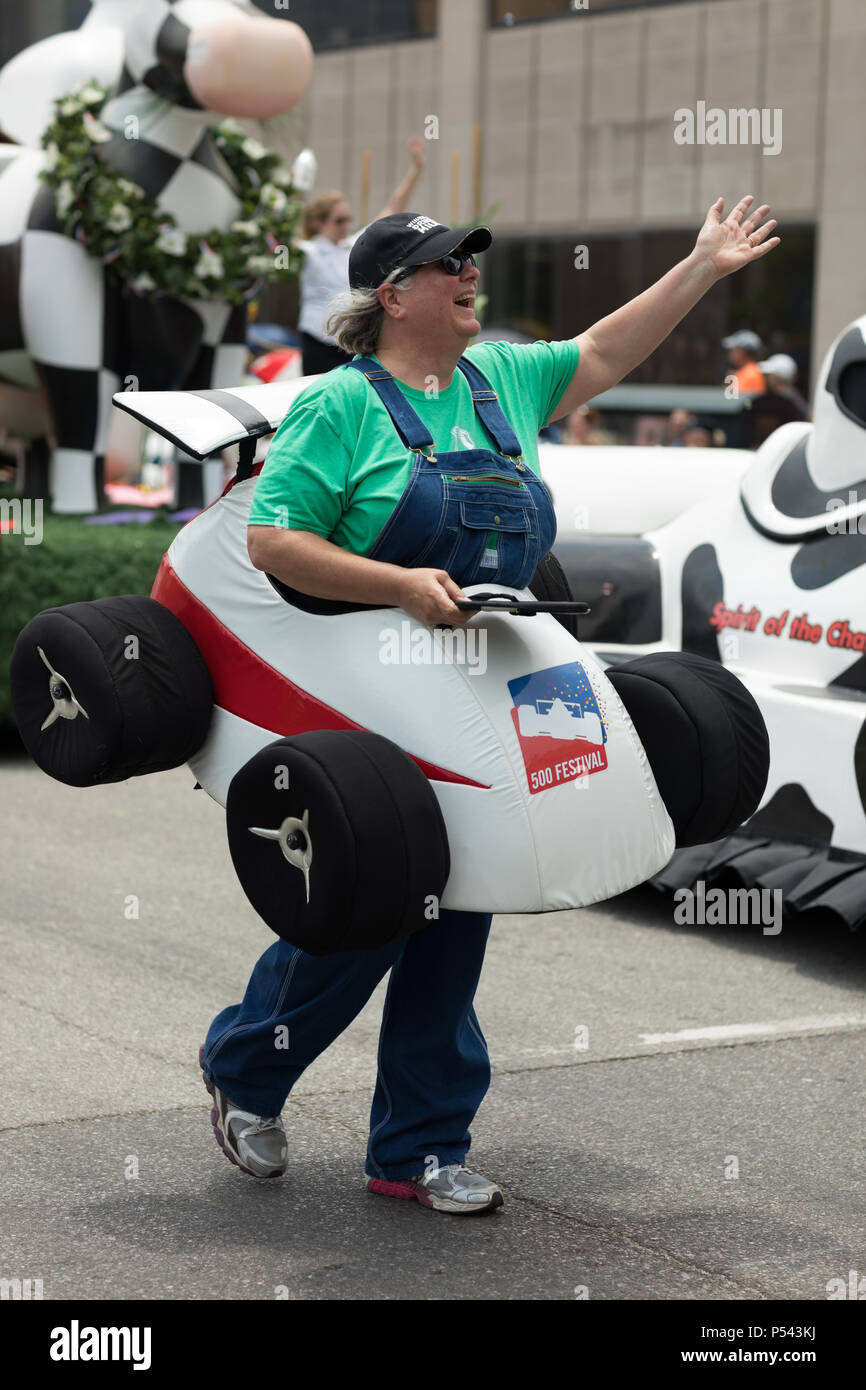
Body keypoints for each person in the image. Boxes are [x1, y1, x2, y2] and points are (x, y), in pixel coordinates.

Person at [200, 194, 779, 1216]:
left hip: (479, 686)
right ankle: (246, 1070)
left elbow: (600, 351)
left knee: (460, 910)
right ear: (390, 295)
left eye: (470, 257)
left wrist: (700, 267)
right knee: (367, 917)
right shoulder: (337, 405)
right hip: (366, 685)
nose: (469, 272)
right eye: (443, 263)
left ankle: (417, 1149)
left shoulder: (501, 378)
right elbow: (274, 541)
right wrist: (400, 585)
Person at [296, 137, 426, 375]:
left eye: (348, 219)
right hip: (316, 340)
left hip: (348, 339)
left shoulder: (351, 245)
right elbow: (280, 245)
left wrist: (415, 170)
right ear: (318, 222)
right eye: (339, 220)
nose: (345, 225)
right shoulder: (307, 251)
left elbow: (391, 211)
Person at [757, 352, 810, 418]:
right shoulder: (791, 395)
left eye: (769, 374)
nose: (766, 377)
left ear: (778, 376)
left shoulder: (787, 398)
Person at [721, 328, 766, 394]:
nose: (730, 353)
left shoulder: (750, 374)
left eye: (733, 349)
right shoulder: (746, 372)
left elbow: (735, 400)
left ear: (743, 352)